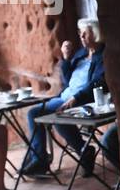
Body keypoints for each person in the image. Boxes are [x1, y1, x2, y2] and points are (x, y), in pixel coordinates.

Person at [20, 19, 106, 178]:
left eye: (85, 33)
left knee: (37, 114)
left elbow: (98, 82)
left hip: (84, 100)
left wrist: (75, 98)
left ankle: (40, 159)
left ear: (96, 34)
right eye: (80, 33)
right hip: (65, 97)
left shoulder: (103, 56)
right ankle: (83, 150)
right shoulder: (81, 54)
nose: (81, 36)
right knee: (47, 115)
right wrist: (66, 59)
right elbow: (67, 81)